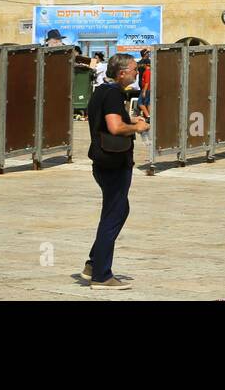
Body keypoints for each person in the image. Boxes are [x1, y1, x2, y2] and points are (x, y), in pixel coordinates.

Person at [84, 53, 148, 290]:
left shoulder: (102, 91)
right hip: (113, 163)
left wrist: (130, 118)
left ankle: (94, 262)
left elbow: (106, 120)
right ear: (122, 73)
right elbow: (114, 126)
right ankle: (101, 275)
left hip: (102, 162)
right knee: (113, 214)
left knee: (119, 210)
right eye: (133, 69)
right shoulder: (113, 94)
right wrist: (137, 126)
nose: (136, 72)